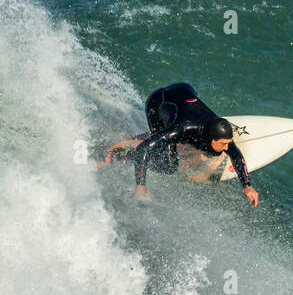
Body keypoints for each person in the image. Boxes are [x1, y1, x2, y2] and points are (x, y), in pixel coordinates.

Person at [102, 82, 259, 206]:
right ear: (212, 140)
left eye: (228, 144)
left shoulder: (215, 130)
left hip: (185, 92)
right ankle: (119, 151)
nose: (227, 148)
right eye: (223, 144)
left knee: (180, 144)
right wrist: (141, 185)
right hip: (159, 102)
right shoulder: (183, 129)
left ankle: (151, 138)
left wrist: (247, 186)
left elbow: (236, 154)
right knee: (168, 164)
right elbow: (144, 150)